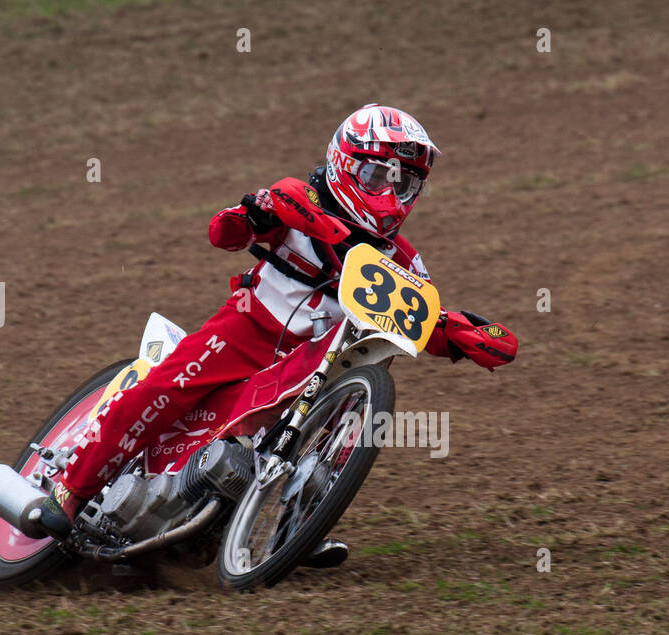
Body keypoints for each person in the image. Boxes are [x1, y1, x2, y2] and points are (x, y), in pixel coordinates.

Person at [35, 104, 518, 566]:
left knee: (349, 428)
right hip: (246, 329)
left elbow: (422, 316)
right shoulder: (302, 199)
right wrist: (254, 216)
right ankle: (72, 489)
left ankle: (295, 528)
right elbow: (223, 233)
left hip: (315, 363)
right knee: (165, 390)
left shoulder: (406, 262)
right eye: (376, 176)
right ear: (344, 163)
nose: (390, 194)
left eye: (405, 182)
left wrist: (467, 336)